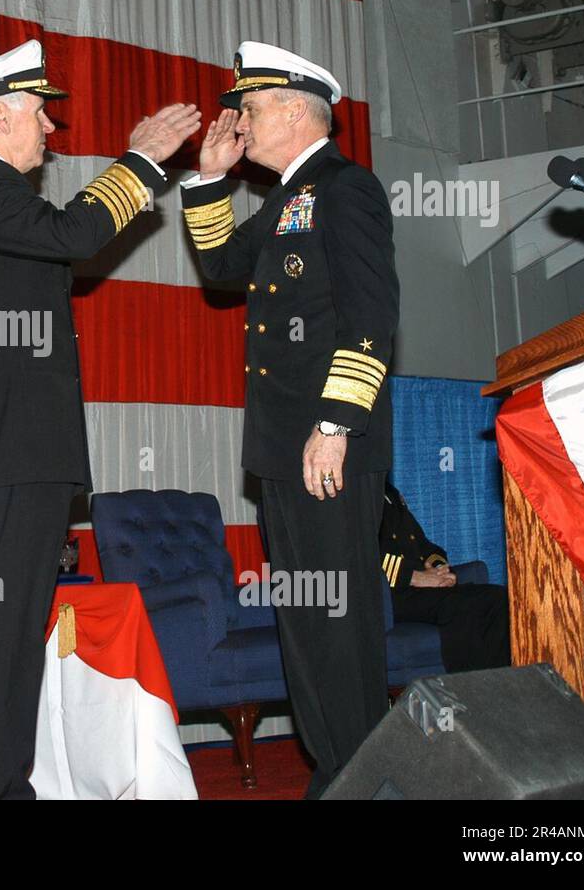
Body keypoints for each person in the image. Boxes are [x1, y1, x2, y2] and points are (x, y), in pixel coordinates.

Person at [0, 39, 199, 798]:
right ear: (0, 114)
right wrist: (139, 161)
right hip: (4, 454)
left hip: (14, 455)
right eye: (39, 112)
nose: (49, 129)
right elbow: (76, 237)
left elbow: (59, 245)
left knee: (7, 640)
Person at [180, 41, 399, 798]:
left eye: (251, 106)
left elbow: (371, 316)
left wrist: (336, 423)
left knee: (339, 630)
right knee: (305, 631)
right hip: (282, 450)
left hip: (325, 448)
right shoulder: (288, 197)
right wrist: (209, 178)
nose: (239, 118)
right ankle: (342, 773)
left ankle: (363, 779)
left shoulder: (346, 188)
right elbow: (221, 269)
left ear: (296, 110)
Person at [379, 481, 511, 672]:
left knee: (497, 598)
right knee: (487, 602)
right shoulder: (362, 496)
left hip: (420, 588)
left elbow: (425, 546)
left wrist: (440, 569)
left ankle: (495, 683)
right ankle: (472, 686)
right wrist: (413, 577)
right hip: (391, 595)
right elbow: (360, 559)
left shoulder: (389, 493)